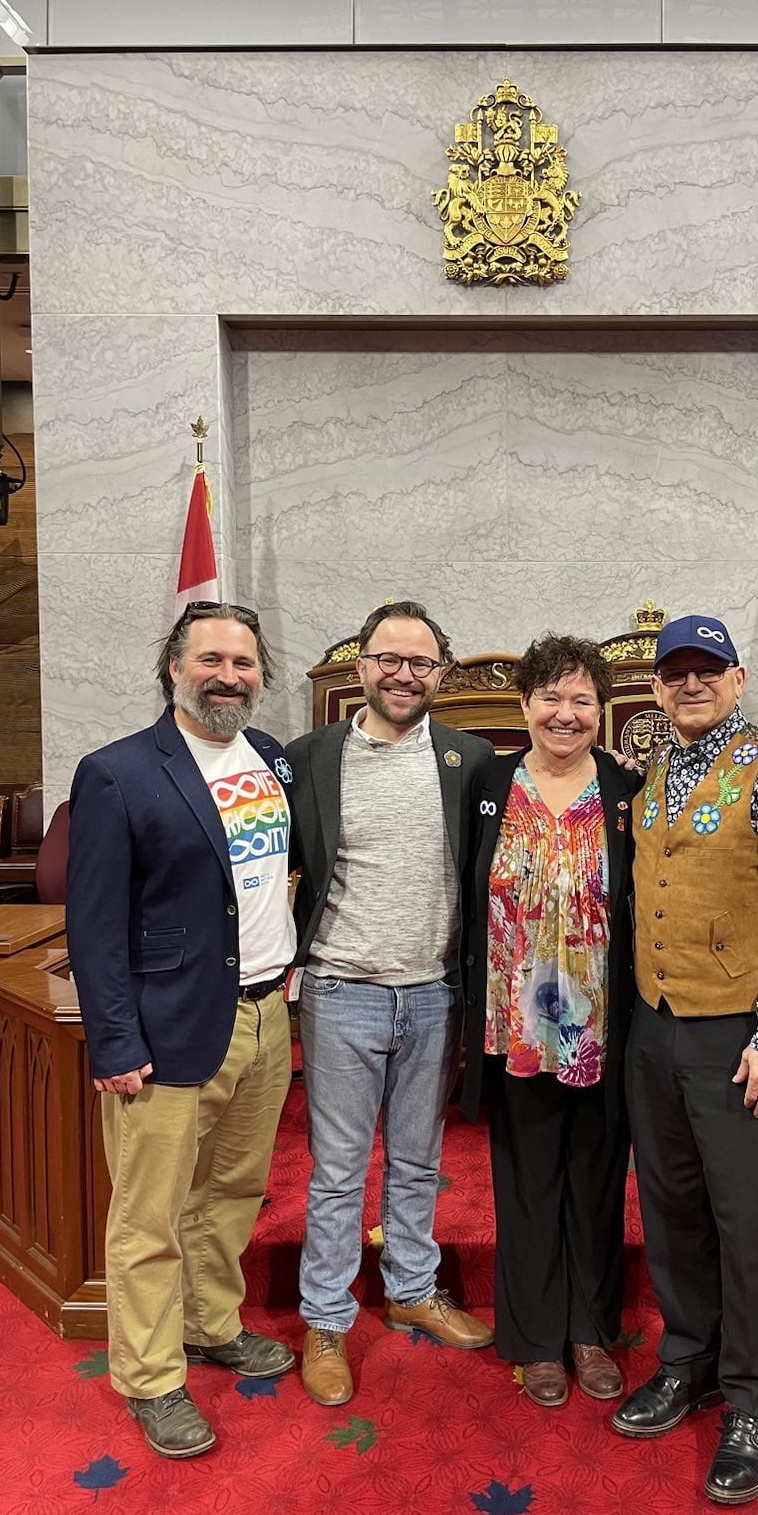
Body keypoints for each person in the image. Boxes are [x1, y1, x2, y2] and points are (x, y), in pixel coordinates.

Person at [613, 614, 758, 1507]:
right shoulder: (657, 773)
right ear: (658, 688)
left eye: (709, 671)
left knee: (748, 1229)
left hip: (741, 1038)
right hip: (655, 1028)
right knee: (670, 1213)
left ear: (740, 680)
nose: (691, 685)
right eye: (677, 675)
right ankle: (689, 1362)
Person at [66, 603, 297, 1460]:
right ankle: (152, 1375)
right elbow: (93, 927)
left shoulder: (269, 759)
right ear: (174, 666)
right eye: (210, 659)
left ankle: (211, 1323)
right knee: (149, 1215)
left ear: (260, 674)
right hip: (168, 1031)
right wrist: (115, 1042)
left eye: (242, 662)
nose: (227, 675)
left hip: (268, 1015)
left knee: (233, 1193)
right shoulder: (118, 772)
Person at [285, 600, 495, 1407]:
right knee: (338, 1172)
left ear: (440, 672)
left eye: (421, 662)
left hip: (435, 993)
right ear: (360, 667)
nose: (404, 675)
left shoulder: (470, 759)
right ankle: (327, 1319)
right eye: (388, 659)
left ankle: (412, 1287)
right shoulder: (308, 758)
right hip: (342, 991)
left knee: (419, 1161)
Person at [463, 635, 638, 1410]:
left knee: (598, 1180)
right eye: (551, 698)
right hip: (517, 1027)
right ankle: (536, 1337)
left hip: (606, 1024)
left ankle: (591, 1330)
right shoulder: (485, 785)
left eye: (581, 701)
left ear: (601, 712)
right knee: (527, 1179)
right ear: (524, 706)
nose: (565, 715)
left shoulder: (631, 791)